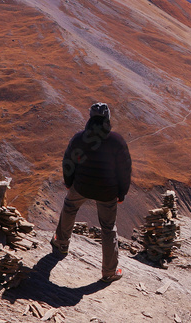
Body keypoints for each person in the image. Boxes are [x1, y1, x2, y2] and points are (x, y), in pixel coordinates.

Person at [51, 102, 132, 283]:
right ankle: (109, 271)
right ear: (108, 118)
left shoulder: (80, 138)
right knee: (108, 228)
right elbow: (124, 170)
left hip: (81, 186)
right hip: (107, 192)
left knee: (70, 207)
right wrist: (121, 193)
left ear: (90, 117)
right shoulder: (117, 141)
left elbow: (68, 162)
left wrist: (69, 183)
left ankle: (61, 244)